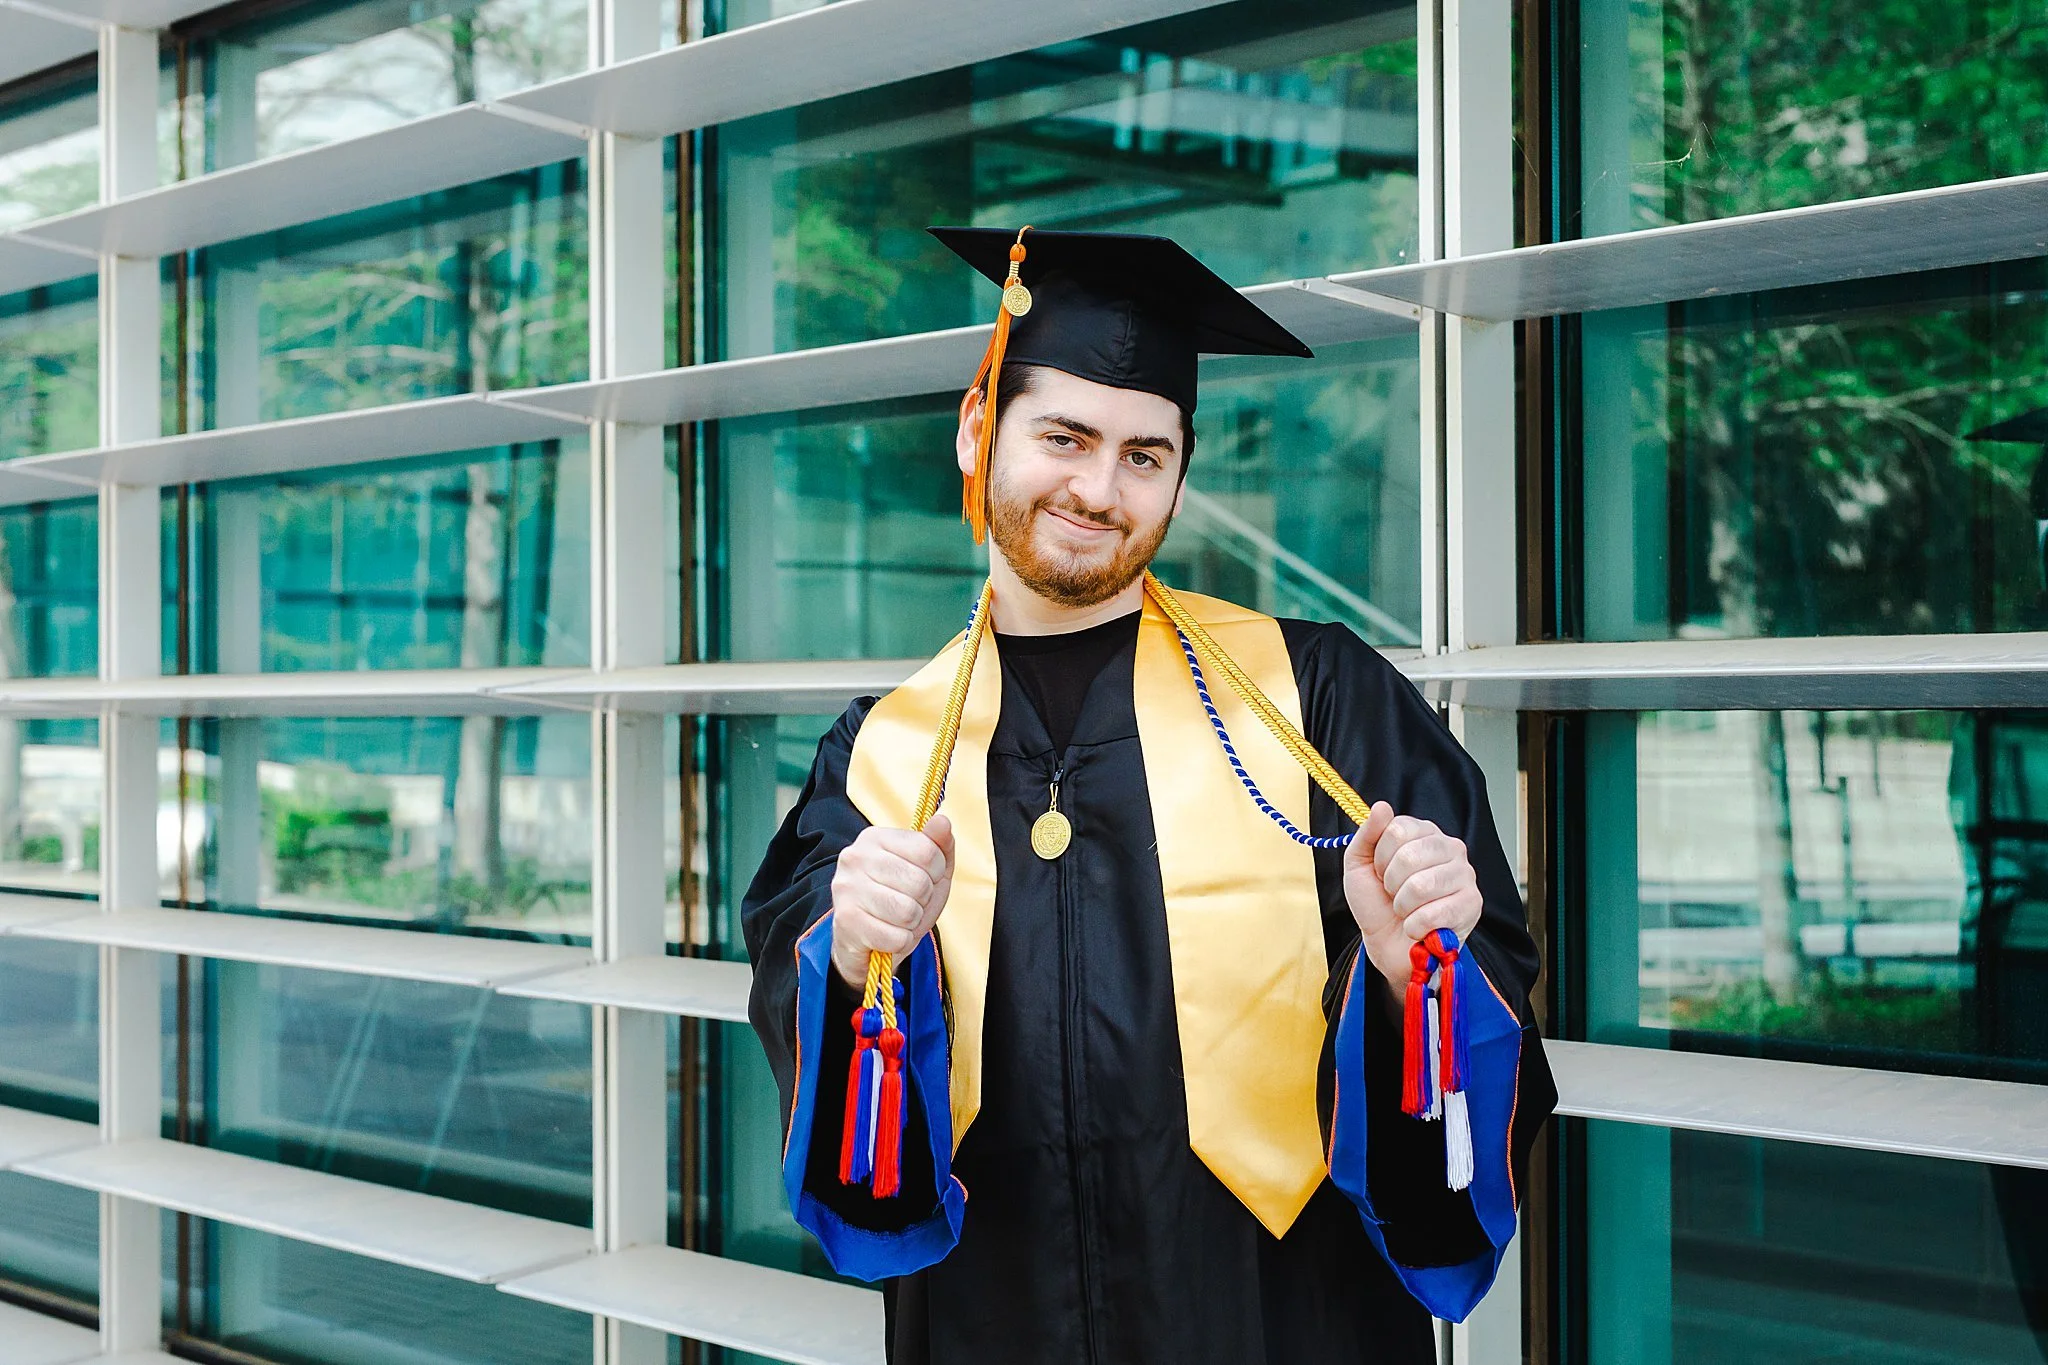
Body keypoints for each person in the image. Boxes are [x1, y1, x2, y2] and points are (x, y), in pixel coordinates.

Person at [742, 227, 1555, 1365]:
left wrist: (1399, 971)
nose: (1097, 487)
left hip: (1278, 1321)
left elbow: (1487, 997)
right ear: (979, 431)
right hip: (994, 1321)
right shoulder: (883, 750)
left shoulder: (1317, 697)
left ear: (1179, 468)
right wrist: (846, 954)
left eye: (1142, 454)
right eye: (1063, 438)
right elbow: (825, 1077)